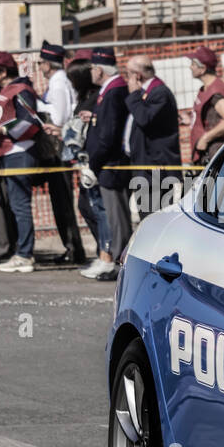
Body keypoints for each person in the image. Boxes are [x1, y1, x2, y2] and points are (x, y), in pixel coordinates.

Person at [0, 52, 44, 273]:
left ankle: (25, 255)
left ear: (3, 71)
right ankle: (22, 251)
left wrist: (3, 129)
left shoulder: (21, 90)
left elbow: (31, 121)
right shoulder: (3, 92)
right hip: (6, 154)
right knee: (16, 205)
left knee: (20, 205)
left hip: (19, 152)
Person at [82, 46, 131, 281]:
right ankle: (113, 257)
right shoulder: (109, 89)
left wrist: (94, 162)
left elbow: (109, 132)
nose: (90, 71)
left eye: (92, 67)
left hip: (111, 164)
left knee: (116, 217)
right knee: (111, 215)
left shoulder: (114, 91)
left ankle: (119, 262)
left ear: (99, 69)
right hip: (107, 162)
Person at [35, 41, 87, 264]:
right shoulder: (58, 81)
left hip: (61, 149)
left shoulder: (57, 84)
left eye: (41, 63)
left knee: (63, 201)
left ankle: (74, 249)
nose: (39, 67)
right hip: (61, 148)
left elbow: (58, 117)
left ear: (48, 64)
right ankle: (71, 247)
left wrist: (38, 106)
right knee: (60, 200)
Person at [64, 57, 109, 271]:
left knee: (98, 208)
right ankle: (103, 250)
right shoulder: (84, 98)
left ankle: (107, 253)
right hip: (84, 161)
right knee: (86, 206)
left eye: (72, 78)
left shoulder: (97, 97)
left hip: (94, 160)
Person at [123, 55, 181, 217]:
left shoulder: (159, 93)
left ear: (137, 76)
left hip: (155, 169)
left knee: (154, 217)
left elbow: (144, 118)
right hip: (145, 165)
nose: (126, 79)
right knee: (146, 213)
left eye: (127, 74)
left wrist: (134, 95)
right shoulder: (147, 92)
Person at [188, 46, 224, 164]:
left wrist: (206, 138)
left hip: (217, 155)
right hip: (208, 155)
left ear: (203, 68)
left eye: (193, 64)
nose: (190, 67)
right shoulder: (208, 88)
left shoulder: (217, 91)